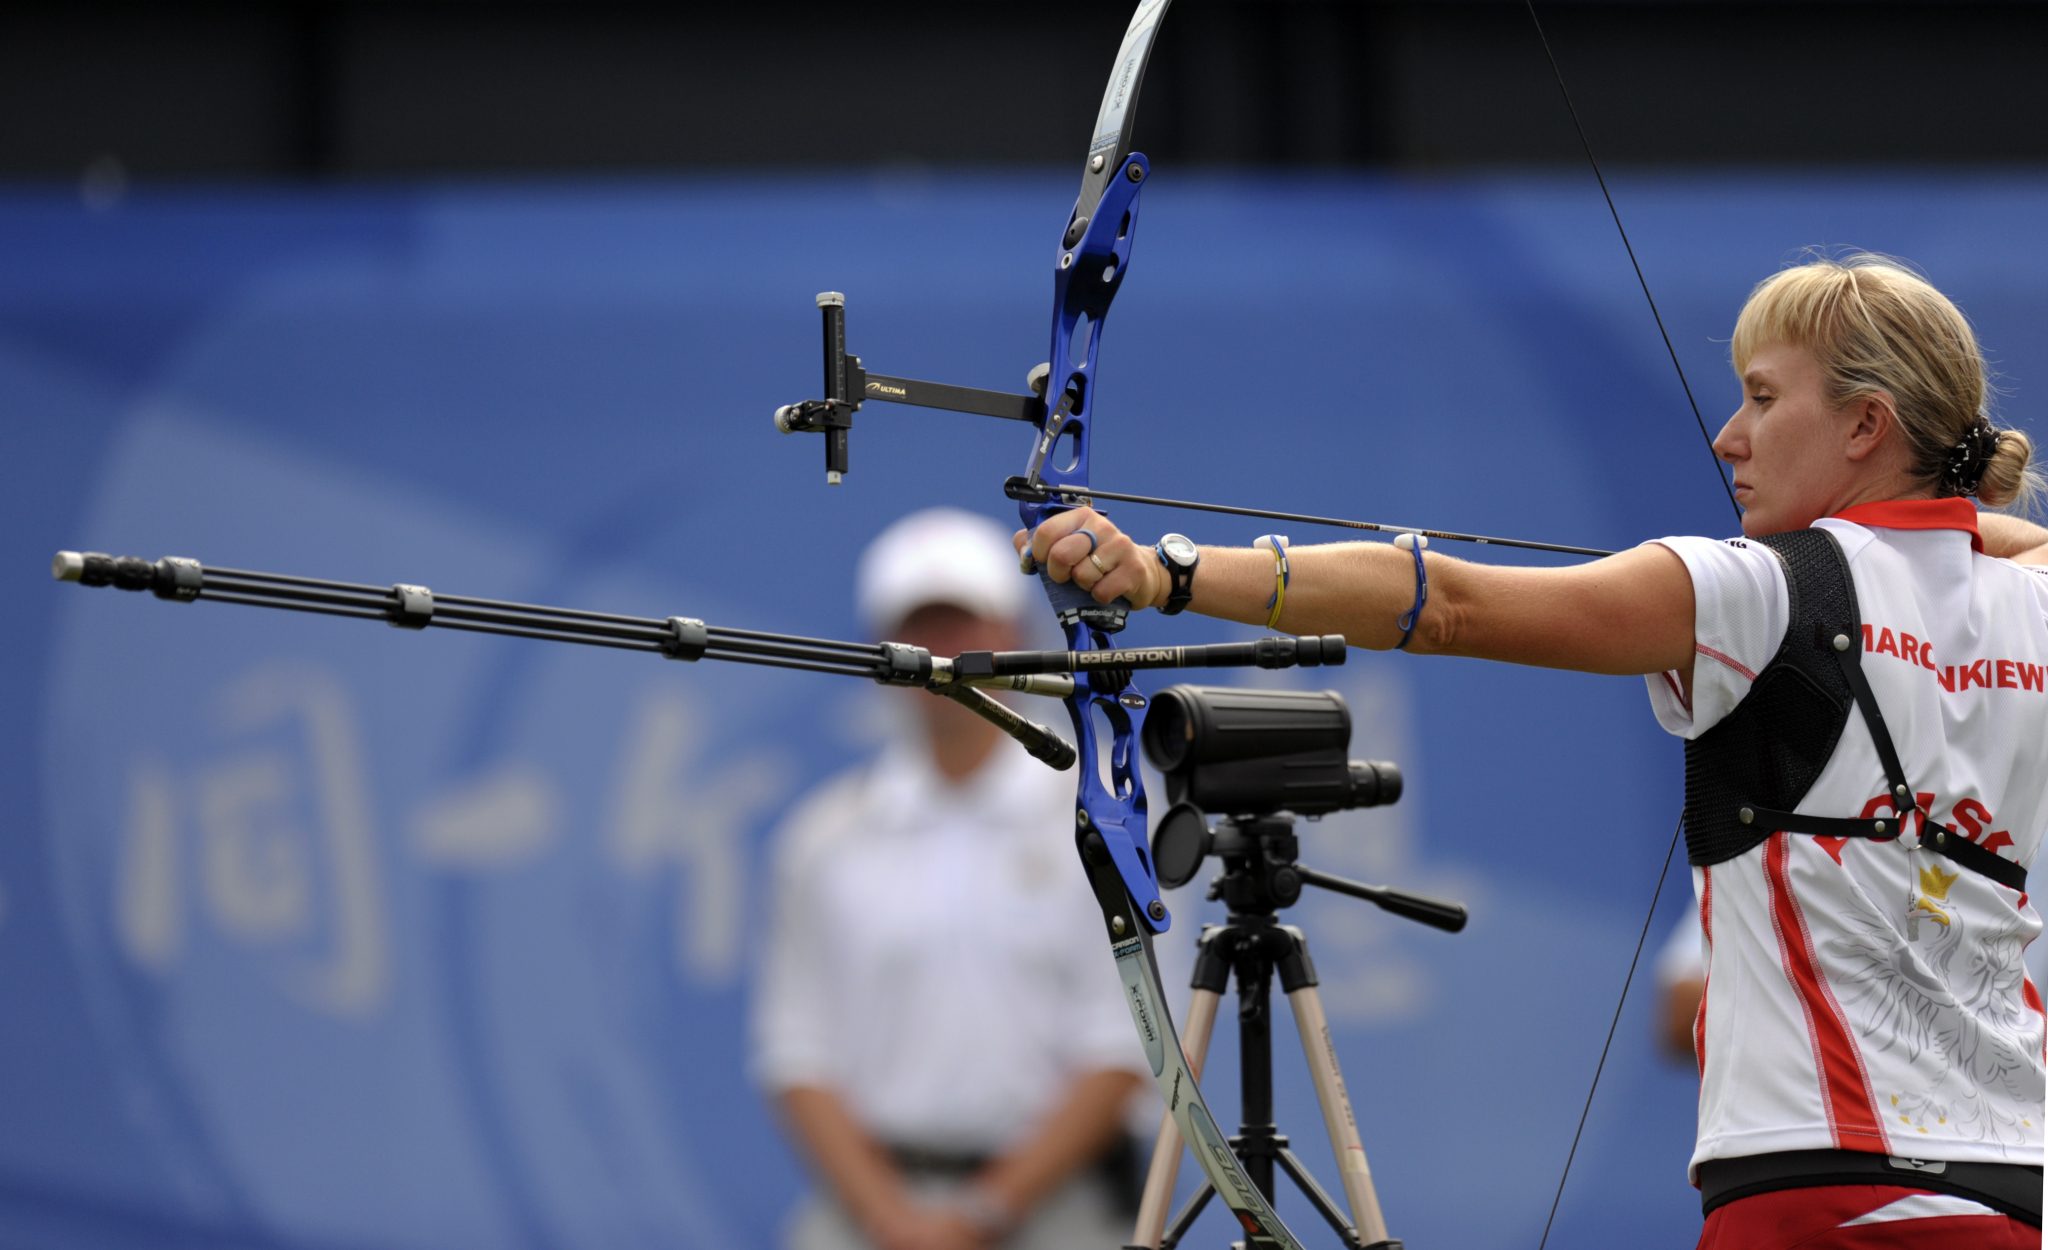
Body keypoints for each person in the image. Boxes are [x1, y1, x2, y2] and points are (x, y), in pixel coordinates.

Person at [1017, 254, 2047, 1249]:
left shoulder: (1765, 589)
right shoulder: (2029, 606)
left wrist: (1164, 574)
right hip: (2012, 1186)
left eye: (1763, 398)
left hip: (1822, 1195)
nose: (1729, 436)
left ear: (1866, 422)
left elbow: (1446, 604)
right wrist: (1953, 531)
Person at [751, 507, 1147, 1250]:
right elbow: (797, 1049)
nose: (944, 654)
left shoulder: (1100, 820)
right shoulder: (825, 838)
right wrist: (889, 1219)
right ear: (883, 654)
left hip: (1063, 1216)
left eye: (966, 626)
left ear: (1014, 635)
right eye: (920, 632)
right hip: (870, 1217)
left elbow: (1128, 1045)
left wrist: (981, 1215)